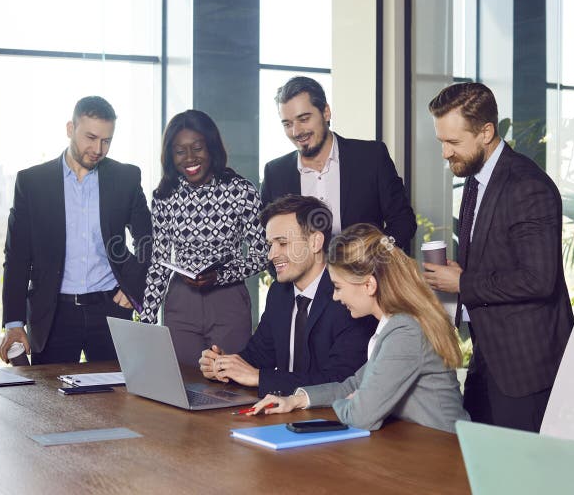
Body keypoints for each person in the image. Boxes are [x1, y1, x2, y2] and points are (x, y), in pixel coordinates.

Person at [423, 82, 574, 432]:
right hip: (488, 359)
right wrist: (465, 272)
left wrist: (462, 281)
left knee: (526, 480)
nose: (445, 153)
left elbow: (538, 279)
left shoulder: (527, 186)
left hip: (527, 368)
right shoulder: (476, 180)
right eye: (441, 142)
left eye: (453, 142)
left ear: (486, 131)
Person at [249, 224, 468, 433]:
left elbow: (362, 416)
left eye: (338, 287)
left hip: (445, 454)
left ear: (369, 285)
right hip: (418, 447)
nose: (335, 296)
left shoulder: (405, 331)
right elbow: (353, 384)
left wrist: (356, 401)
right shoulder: (393, 325)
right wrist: (296, 399)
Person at [0, 96, 152, 365]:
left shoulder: (126, 178)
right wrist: (14, 323)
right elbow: (17, 256)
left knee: (115, 403)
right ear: (70, 129)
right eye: (90, 137)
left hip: (111, 310)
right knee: (48, 404)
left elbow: (148, 239)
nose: (98, 148)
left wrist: (133, 288)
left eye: (106, 140)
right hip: (53, 314)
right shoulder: (32, 183)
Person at [200, 195, 376, 397]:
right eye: (270, 245)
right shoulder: (279, 293)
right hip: (281, 413)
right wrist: (223, 365)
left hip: (331, 417)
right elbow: (258, 355)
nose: (271, 255)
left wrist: (259, 377)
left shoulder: (348, 296)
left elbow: (341, 380)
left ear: (315, 242)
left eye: (282, 243)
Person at [139, 110, 268, 365]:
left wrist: (221, 276)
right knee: (182, 384)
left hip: (228, 300)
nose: (190, 158)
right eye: (180, 151)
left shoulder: (242, 191)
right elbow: (159, 262)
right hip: (180, 301)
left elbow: (262, 255)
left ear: (211, 147)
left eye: (197, 147)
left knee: (229, 382)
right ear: (170, 155)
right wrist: (147, 319)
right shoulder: (164, 196)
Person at [260, 76, 417, 253]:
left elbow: (403, 221)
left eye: (304, 119)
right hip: (300, 281)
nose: (296, 132)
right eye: (287, 124)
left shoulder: (371, 157)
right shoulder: (275, 173)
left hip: (367, 277)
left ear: (326, 112)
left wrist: (378, 254)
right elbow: (266, 239)